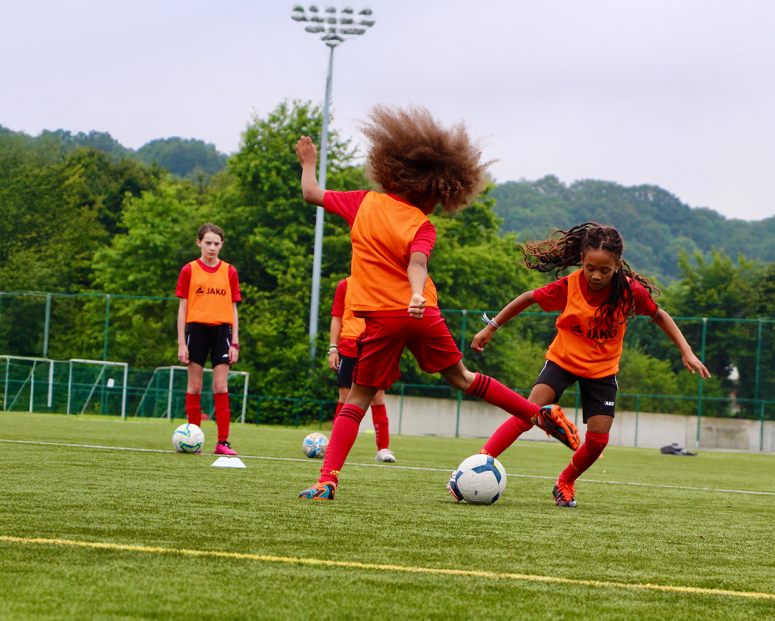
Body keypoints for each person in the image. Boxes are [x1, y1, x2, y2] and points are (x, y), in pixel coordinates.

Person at [294, 105, 579, 500]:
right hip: (422, 313)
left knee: (357, 399)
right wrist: (414, 293)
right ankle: (538, 415)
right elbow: (418, 261)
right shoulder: (422, 224)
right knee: (463, 379)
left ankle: (327, 479)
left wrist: (309, 162)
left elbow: (310, 193)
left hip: (383, 320)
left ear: (393, 170)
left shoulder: (363, 203)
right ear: (439, 190)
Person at [471, 222, 710, 507]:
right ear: (582, 260)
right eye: (590, 268)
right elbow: (527, 298)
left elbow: (660, 315)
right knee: (527, 414)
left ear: (618, 265)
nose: (596, 276)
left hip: (602, 372)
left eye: (605, 270)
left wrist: (687, 351)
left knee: (597, 441)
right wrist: (492, 326)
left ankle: (565, 482)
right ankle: (478, 463)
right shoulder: (569, 286)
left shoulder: (630, 292)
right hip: (563, 361)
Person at [175, 223, 241, 456]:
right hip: (197, 331)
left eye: (216, 243)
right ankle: (193, 437)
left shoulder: (229, 271)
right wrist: (182, 342)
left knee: (220, 386)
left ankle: (222, 442)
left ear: (221, 245)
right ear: (199, 243)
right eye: (208, 243)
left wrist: (235, 342)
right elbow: (182, 308)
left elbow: (233, 309)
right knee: (194, 386)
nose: (212, 247)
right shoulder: (189, 270)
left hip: (222, 332)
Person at [329, 276, 395, 463]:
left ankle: (383, 449)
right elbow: (337, 317)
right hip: (349, 345)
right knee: (344, 397)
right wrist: (333, 348)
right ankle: (335, 448)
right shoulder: (345, 284)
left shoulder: (382, 282)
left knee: (378, 398)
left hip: (375, 343)